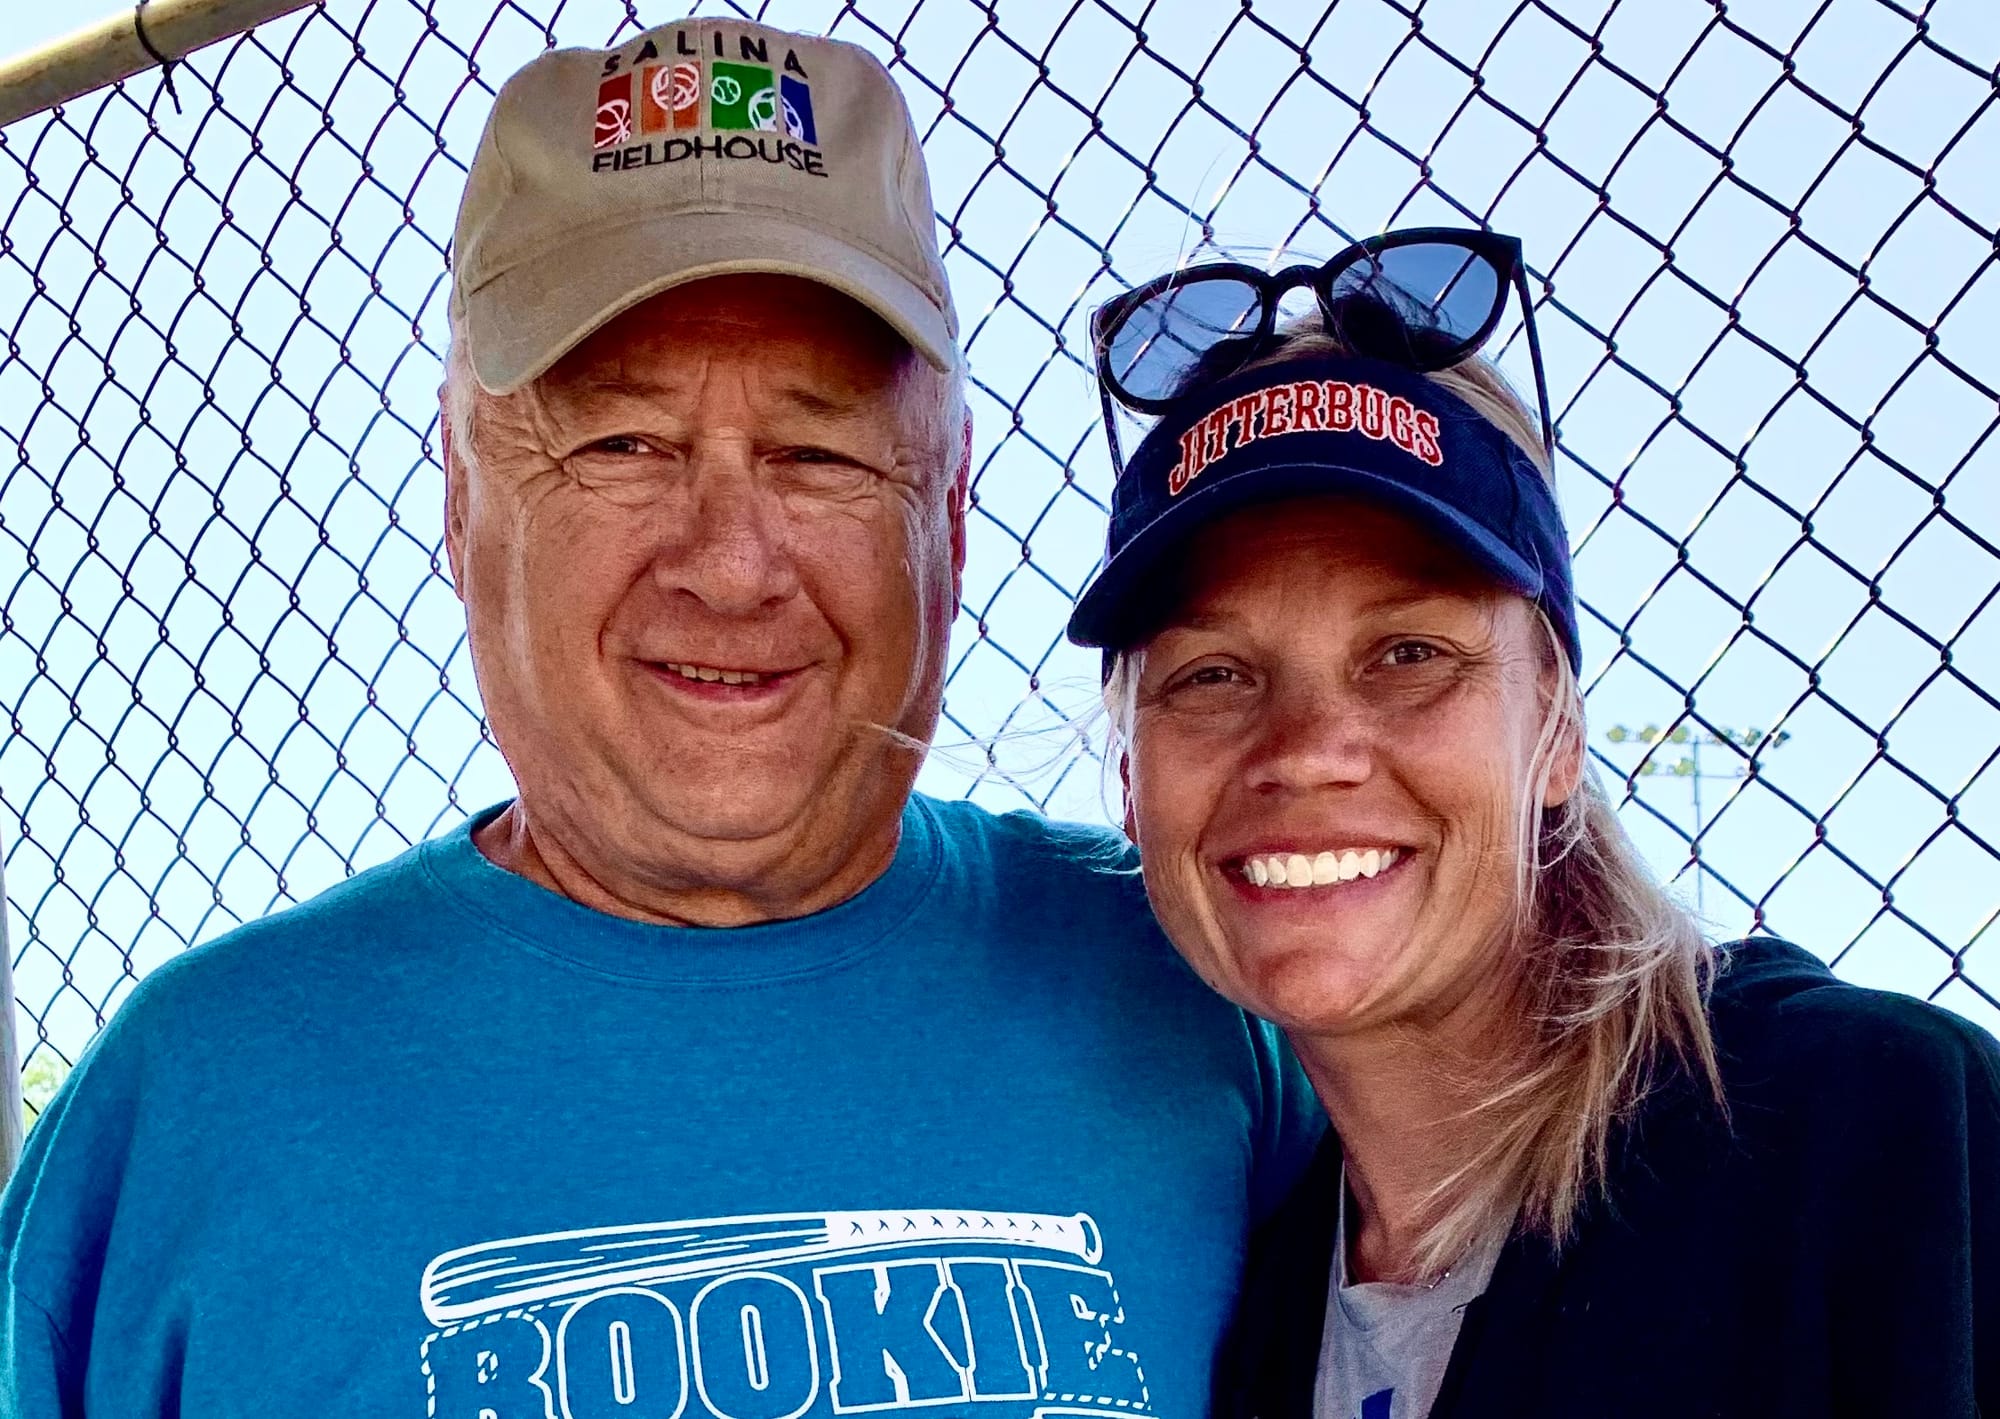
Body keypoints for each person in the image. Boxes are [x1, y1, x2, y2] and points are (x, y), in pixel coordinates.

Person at [0, 20, 1320, 1415]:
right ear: (463, 499)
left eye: (818, 451)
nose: (731, 560)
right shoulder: (193, 1101)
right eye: (621, 444)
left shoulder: (1213, 996)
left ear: (947, 508)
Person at [1066, 229, 2000, 1418]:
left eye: (1408, 654)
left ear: (1553, 731)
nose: (1302, 749)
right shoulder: (1243, 1283)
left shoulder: (1869, 1135)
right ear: (1134, 779)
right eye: (1210, 674)